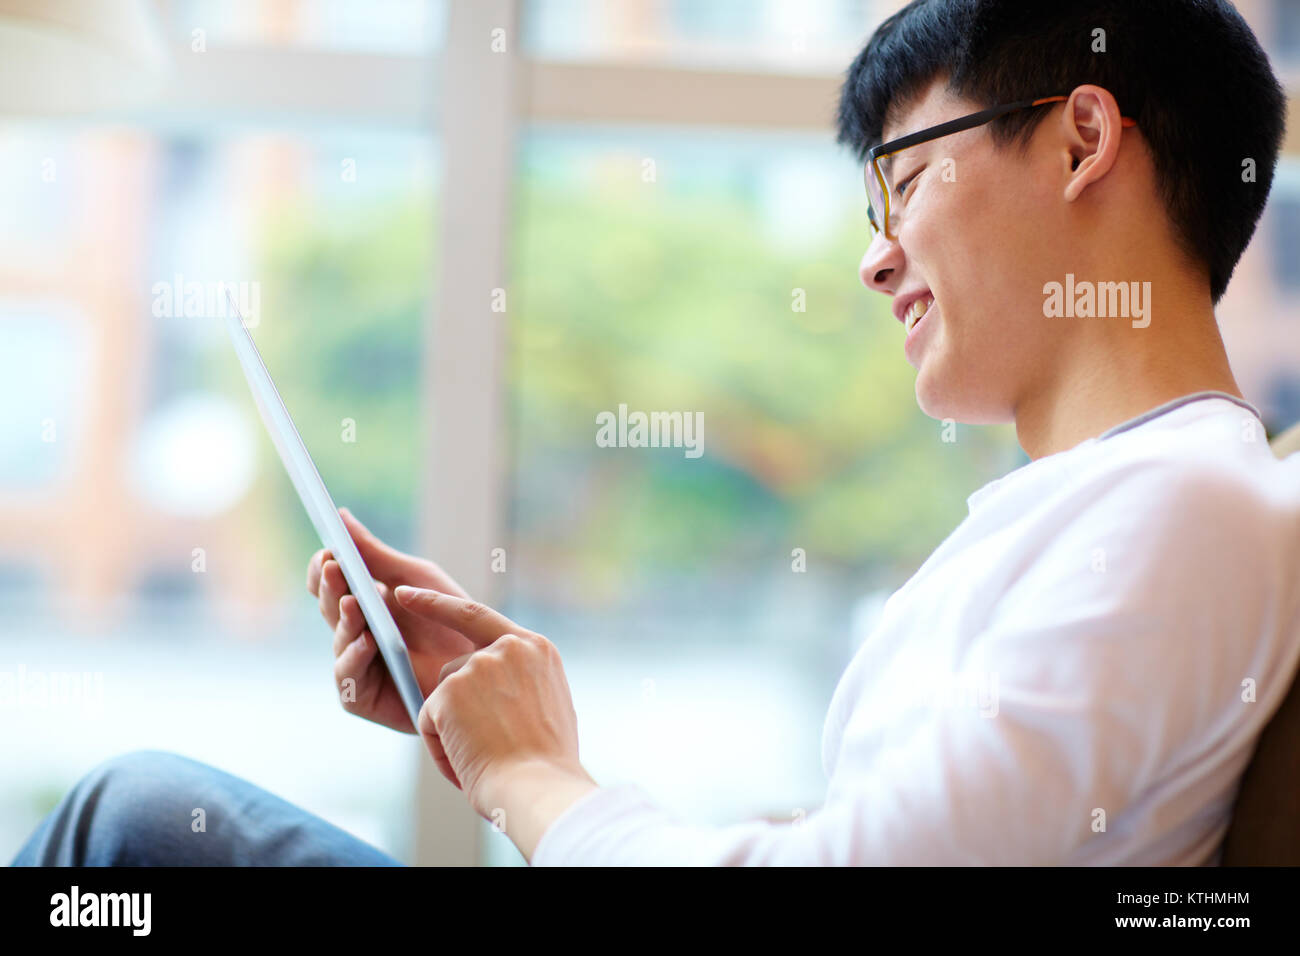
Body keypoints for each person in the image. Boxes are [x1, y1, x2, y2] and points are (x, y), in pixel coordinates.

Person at [13, 0, 1300, 866]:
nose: (874, 257)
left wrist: (528, 778)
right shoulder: (1110, 505)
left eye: (902, 180)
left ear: (1082, 140)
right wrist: (530, 743)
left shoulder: (1184, 505)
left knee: (128, 825)